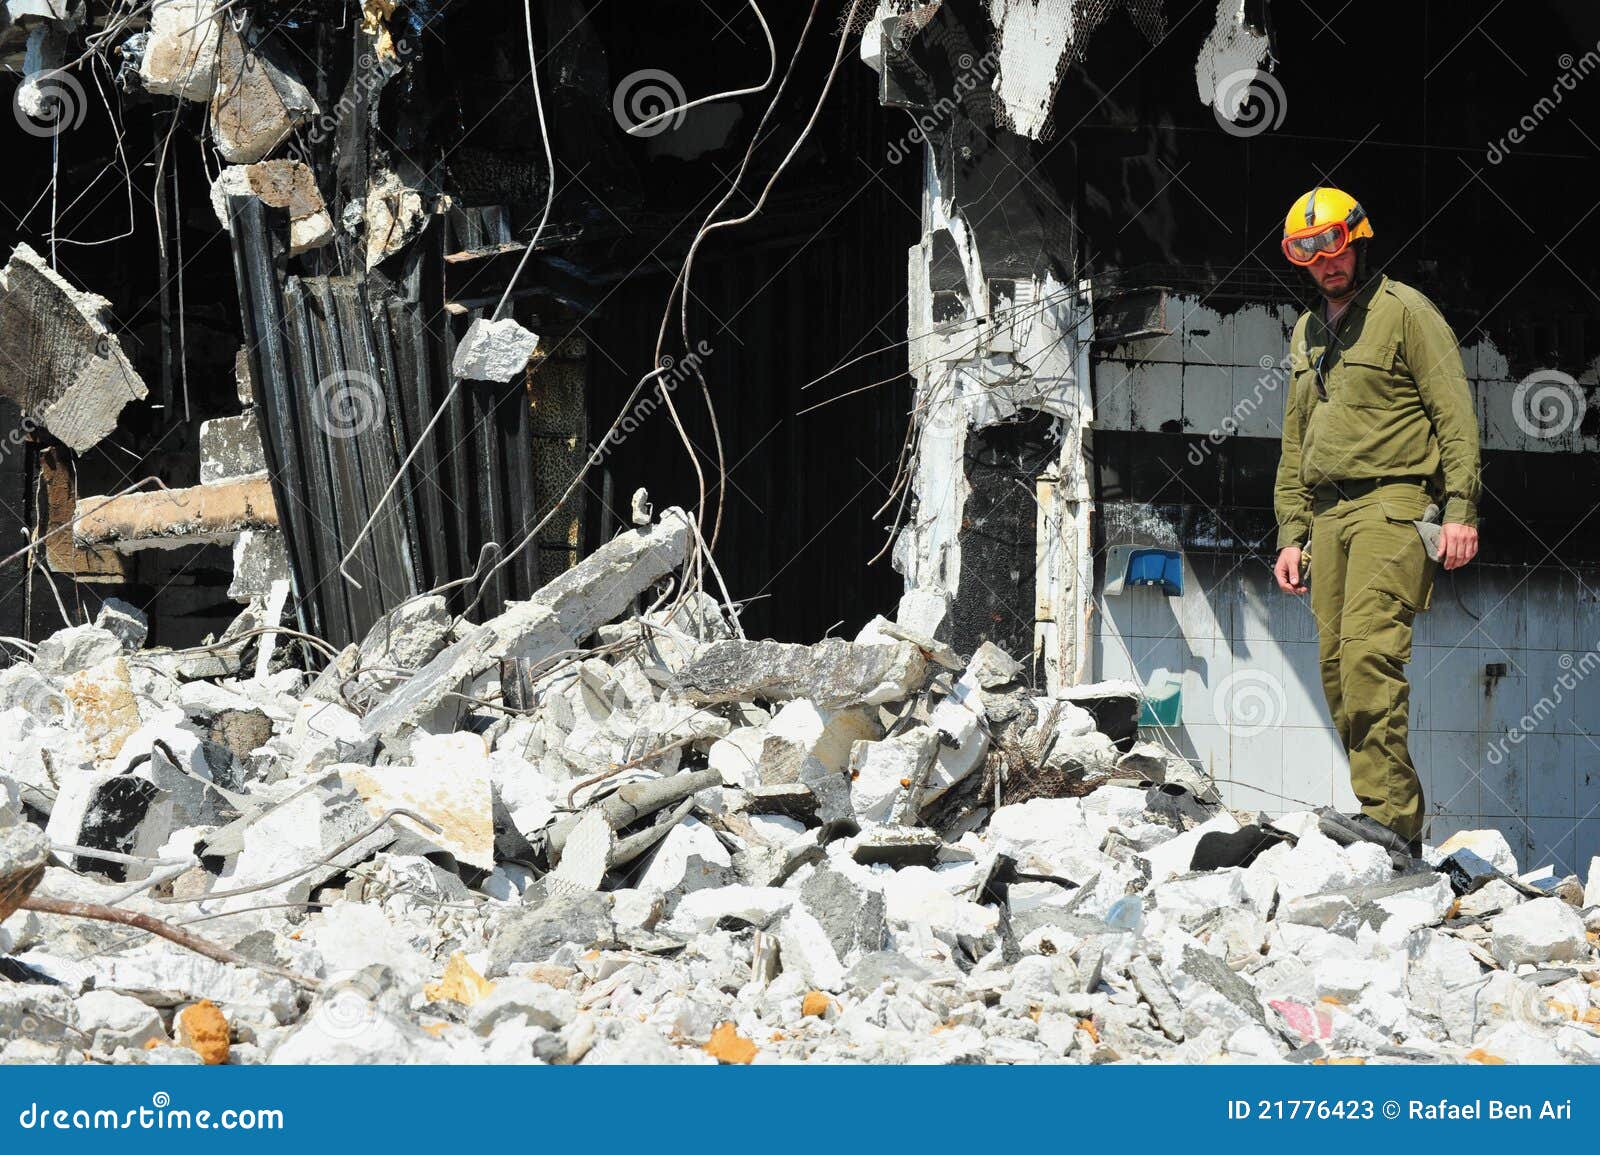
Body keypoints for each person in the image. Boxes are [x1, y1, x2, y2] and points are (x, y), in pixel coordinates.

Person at [1271, 186, 1481, 860]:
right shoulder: (1307, 331)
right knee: (1337, 670)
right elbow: (1295, 441)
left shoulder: (1405, 313)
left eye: (1334, 247)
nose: (1325, 263)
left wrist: (1461, 509)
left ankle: (1392, 823)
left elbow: (1455, 415)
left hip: (1394, 505)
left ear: (1358, 241)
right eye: (1308, 253)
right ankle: (1385, 822)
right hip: (1328, 516)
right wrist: (1291, 533)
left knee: (1369, 656)